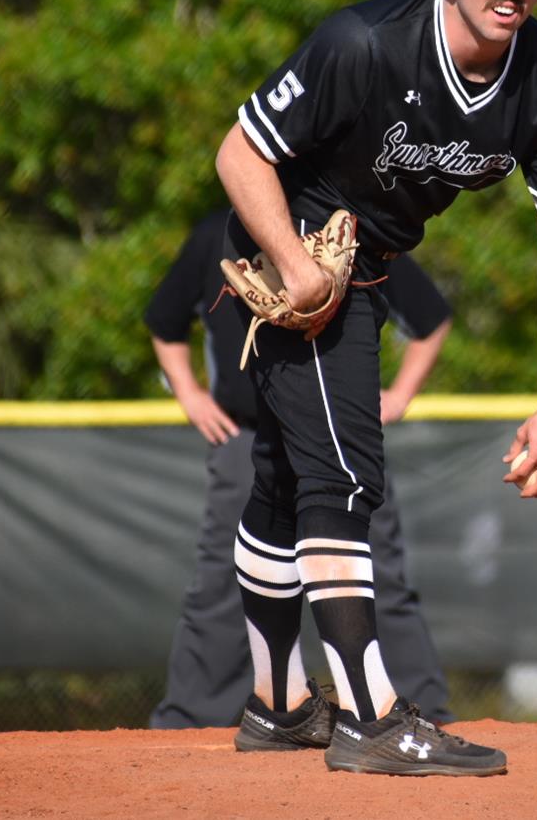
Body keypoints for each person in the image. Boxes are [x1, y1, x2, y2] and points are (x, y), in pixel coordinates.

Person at [213, 0, 537, 776]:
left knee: (284, 482)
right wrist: (298, 266)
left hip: (373, 265)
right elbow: (241, 153)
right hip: (286, 247)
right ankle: (371, 718)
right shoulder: (364, 43)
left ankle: (276, 709)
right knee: (344, 471)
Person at [145, 208, 458, 729]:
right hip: (246, 438)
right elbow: (163, 321)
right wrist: (191, 396)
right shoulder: (217, 235)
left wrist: (400, 394)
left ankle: (413, 706)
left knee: (375, 573)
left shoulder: (355, 231)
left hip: (342, 437)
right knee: (224, 581)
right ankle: (196, 716)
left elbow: (430, 318)